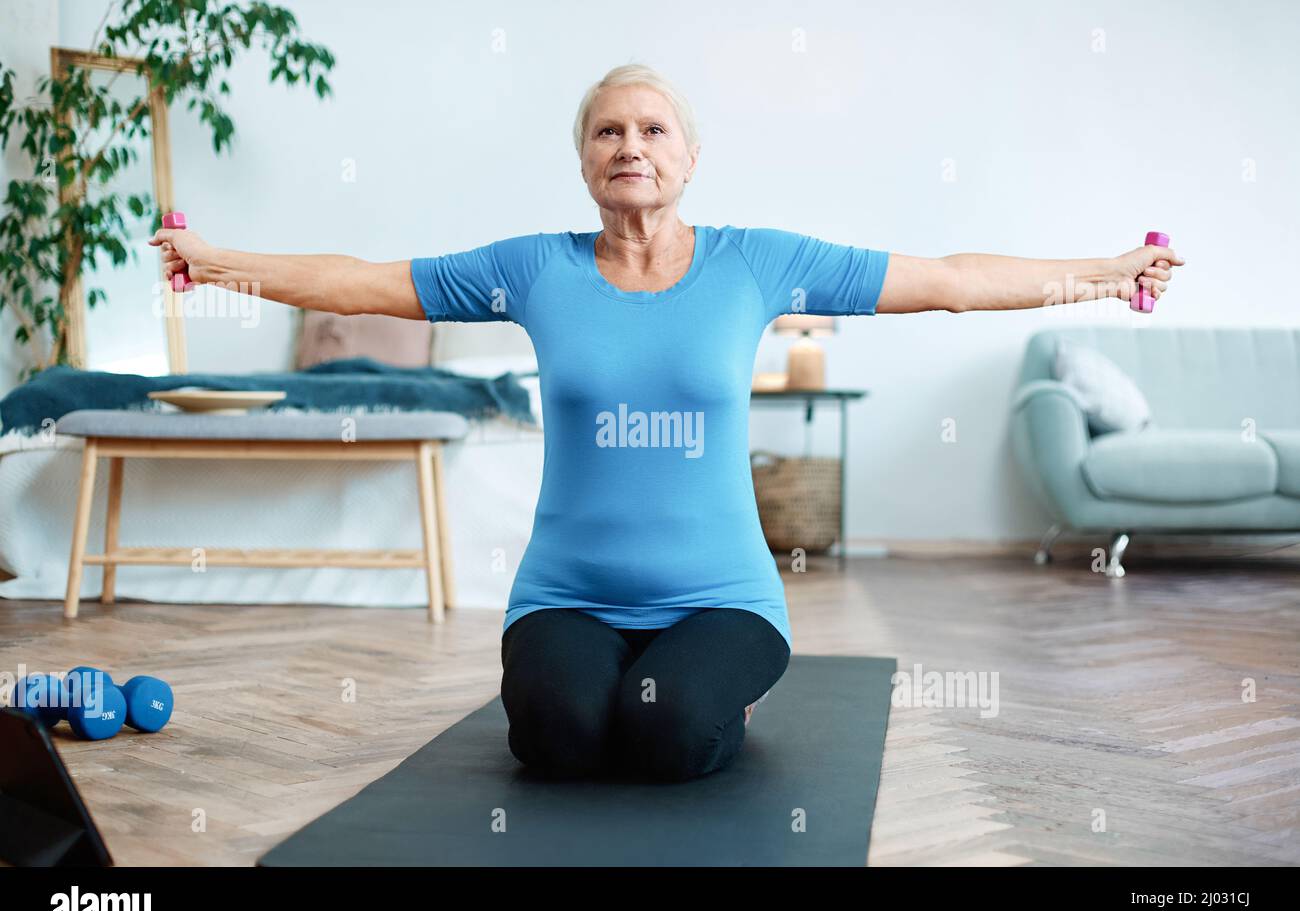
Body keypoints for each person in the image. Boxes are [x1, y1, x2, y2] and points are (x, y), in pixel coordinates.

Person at [150, 63, 1184, 783]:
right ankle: (615, 684)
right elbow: (371, 282)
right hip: (566, 593)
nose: (629, 145)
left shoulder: (758, 259)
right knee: (554, 738)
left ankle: (711, 694)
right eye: (608, 130)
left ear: (689, 158)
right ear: (584, 161)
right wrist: (220, 263)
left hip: (721, 597)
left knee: (669, 734)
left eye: (652, 130)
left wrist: (1102, 274)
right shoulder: (532, 268)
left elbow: (950, 281)